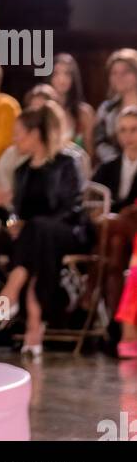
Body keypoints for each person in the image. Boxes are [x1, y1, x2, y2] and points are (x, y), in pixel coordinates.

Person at [0, 104, 92, 358]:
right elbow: (15, 217)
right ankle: (34, 319)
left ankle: (12, 290)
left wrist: (29, 226)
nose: (14, 139)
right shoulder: (22, 172)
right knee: (29, 239)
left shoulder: (67, 162)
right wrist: (4, 213)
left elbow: (73, 208)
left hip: (68, 232)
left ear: (35, 134)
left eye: (19, 133)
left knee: (39, 229)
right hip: (34, 243)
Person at [91, 105, 137, 334]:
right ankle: (117, 328)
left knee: (117, 227)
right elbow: (91, 201)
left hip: (134, 233)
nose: (128, 137)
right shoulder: (108, 167)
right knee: (115, 245)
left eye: (134, 130)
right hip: (114, 240)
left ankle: (90, 289)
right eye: (123, 130)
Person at [94, 50, 137, 165]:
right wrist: (119, 163)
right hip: (115, 169)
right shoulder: (106, 109)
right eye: (114, 73)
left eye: (125, 72)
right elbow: (100, 142)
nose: (119, 77)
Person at [50, 53, 95, 157]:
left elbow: (90, 152)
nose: (62, 79)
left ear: (73, 78)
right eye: (56, 73)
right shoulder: (43, 110)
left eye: (67, 74)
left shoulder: (84, 112)